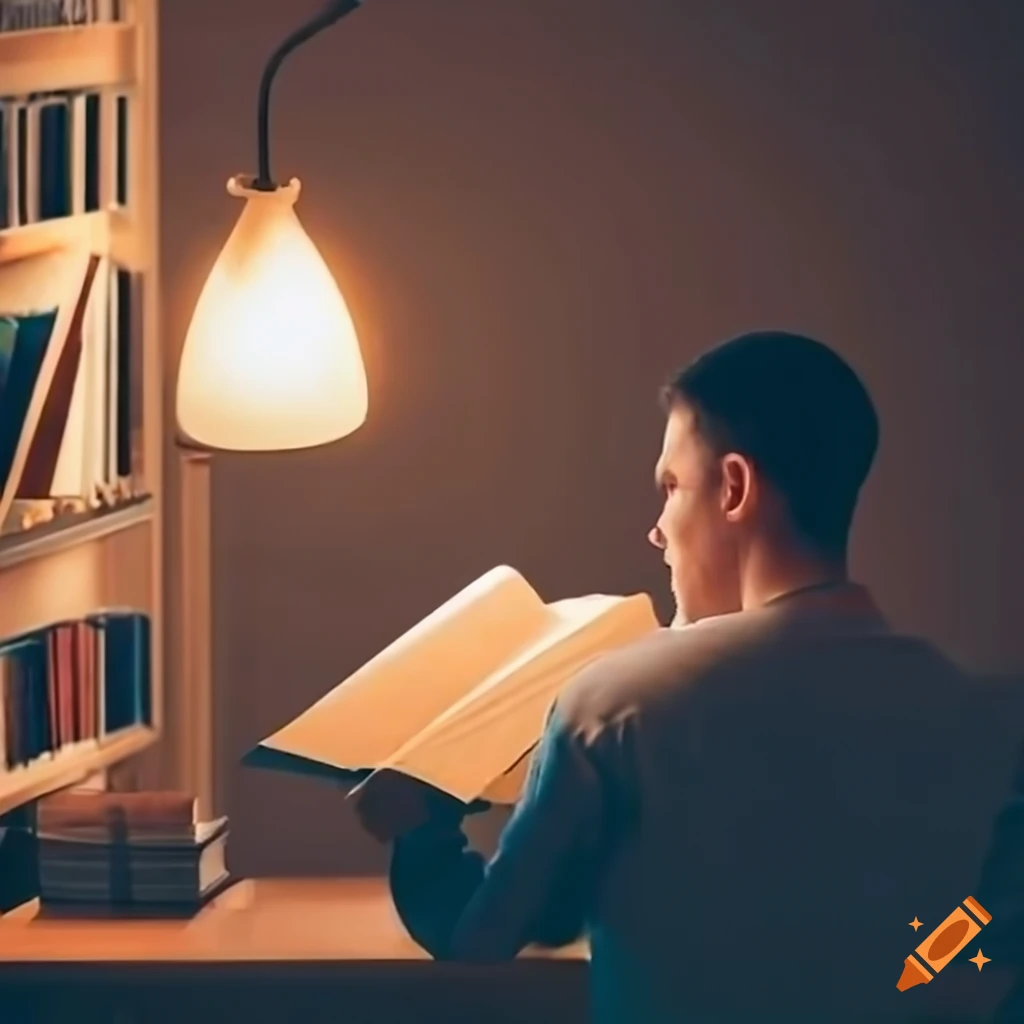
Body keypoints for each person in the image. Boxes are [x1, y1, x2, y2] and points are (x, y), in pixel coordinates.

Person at [355, 331, 1015, 1023]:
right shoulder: (993, 721)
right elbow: (984, 932)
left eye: (671, 486)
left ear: (734, 487)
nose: (657, 530)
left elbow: (488, 934)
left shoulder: (615, 705)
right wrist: (909, 970)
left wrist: (422, 830)